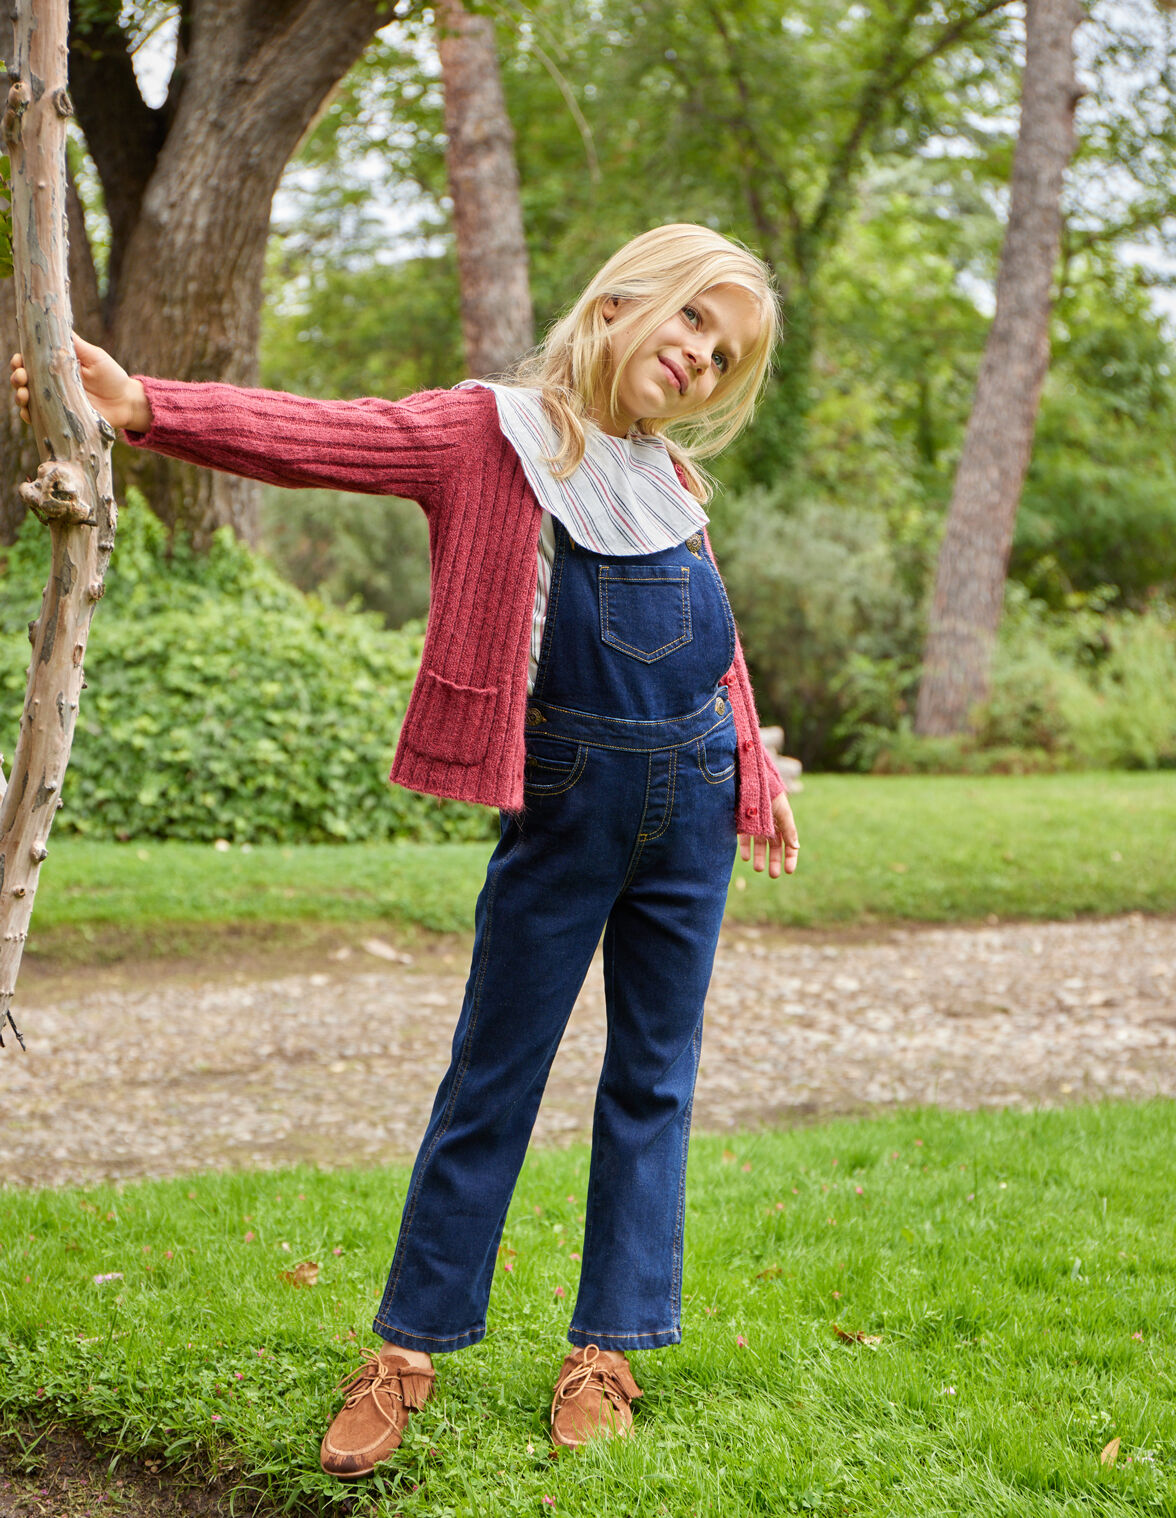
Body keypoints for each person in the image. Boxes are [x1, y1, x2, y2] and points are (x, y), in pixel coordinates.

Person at [10, 221, 799, 1473]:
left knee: (656, 1076)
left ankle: (608, 1346)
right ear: (618, 306)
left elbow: (718, 642)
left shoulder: (673, 485)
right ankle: (409, 1349)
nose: (704, 358)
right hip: (565, 796)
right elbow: (323, 435)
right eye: (696, 321)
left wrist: (754, 765)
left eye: (729, 353)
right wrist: (149, 405)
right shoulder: (489, 435)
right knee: (494, 1074)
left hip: (694, 798)